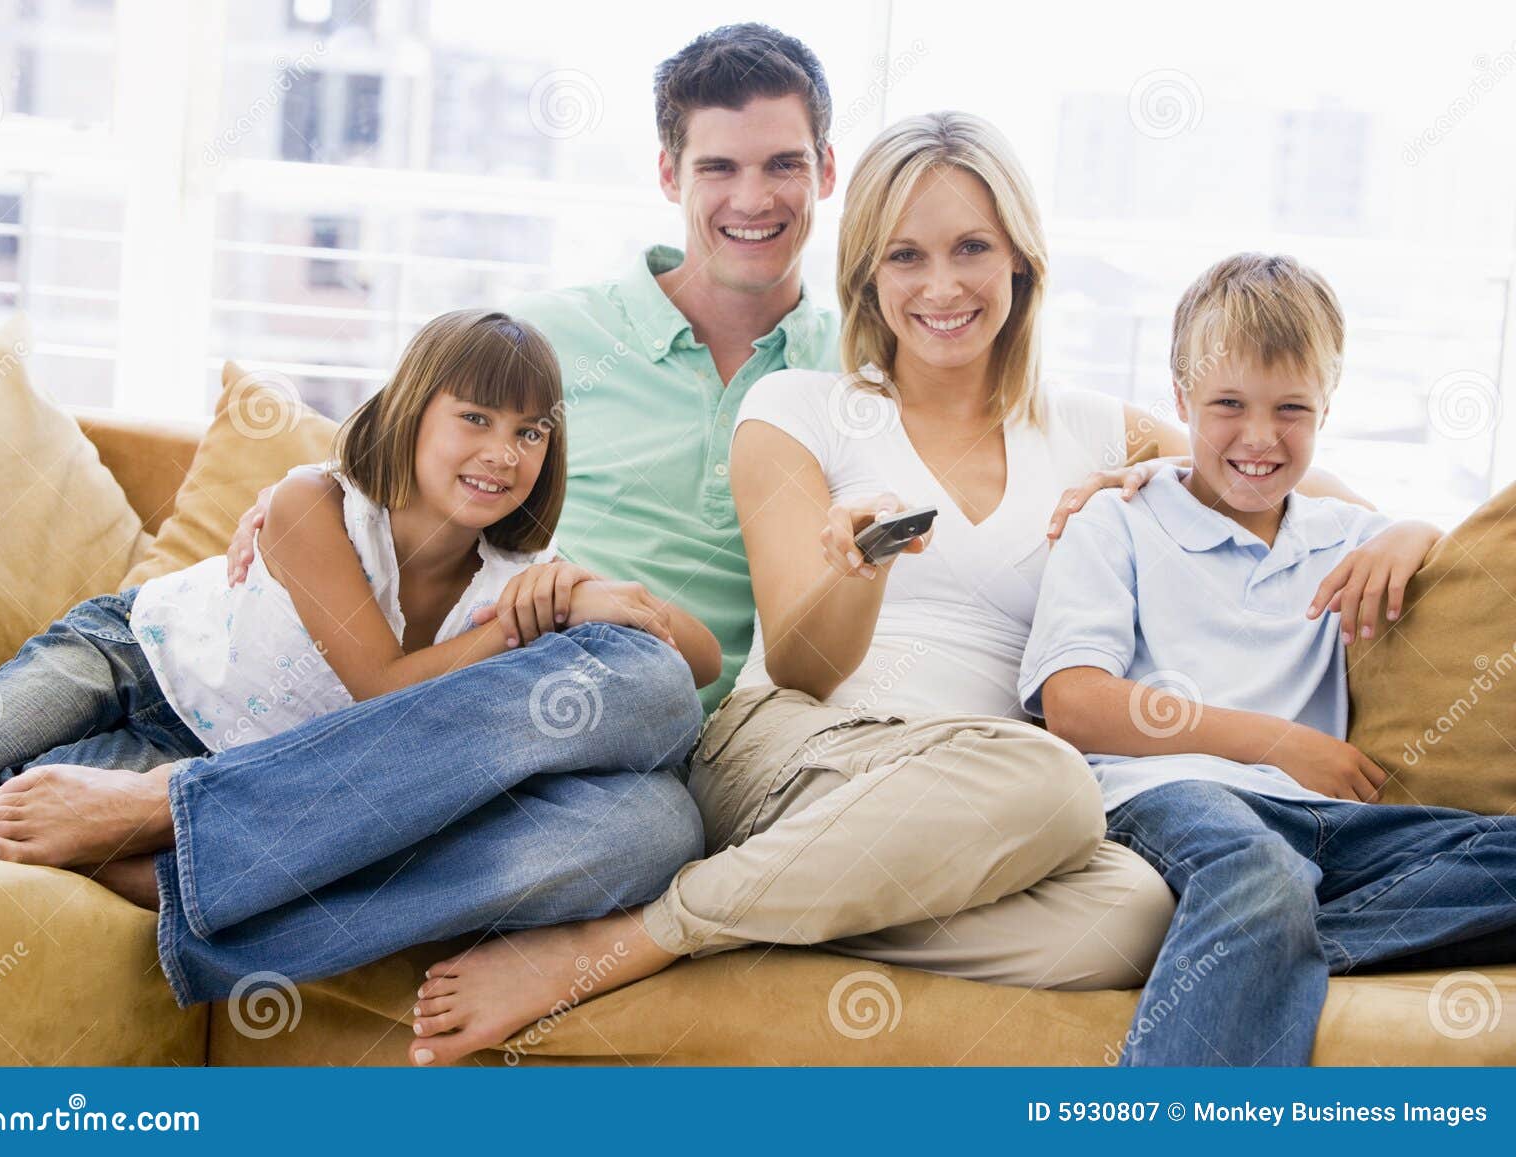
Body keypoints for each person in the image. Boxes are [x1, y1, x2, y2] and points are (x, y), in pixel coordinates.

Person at [390, 115, 1423, 1066]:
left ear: (1020, 258)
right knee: (1057, 781)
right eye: (906, 254)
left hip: (987, 809)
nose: (943, 285)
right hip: (798, 752)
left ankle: (787, 899)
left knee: (1138, 912)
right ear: (869, 274)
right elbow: (801, 667)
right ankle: (633, 937)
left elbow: (1282, 470)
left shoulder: (1095, 431)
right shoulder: (798, 408)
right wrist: (854, 574)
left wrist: (1414, 531)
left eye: (971, 248)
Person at [0, 312, 716, 1007]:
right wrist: (515, 632)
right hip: (140, 659)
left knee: (4, 802)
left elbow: (700, 660)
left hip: (222, 756)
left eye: (530, 432)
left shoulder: (521, 575)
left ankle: (175, 861)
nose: (502, 453)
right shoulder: (315, 501)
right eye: (474, 418)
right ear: (413, 414)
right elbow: (379, 687)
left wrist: (578, 589)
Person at [1018, 252, 1516, 1065]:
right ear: (1180, 401)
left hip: (1328, 832)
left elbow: (1428, 541)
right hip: (1172, 796)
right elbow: (1074, 703)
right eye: (1227, 406)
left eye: (1292, 408)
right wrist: (1277, 742)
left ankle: (1232, 942)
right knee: (1260, 874)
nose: (1259, 436)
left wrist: (1413, 533)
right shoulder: (1118, 521)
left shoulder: (1343, 535)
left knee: (1485, 857)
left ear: (1327, 406)